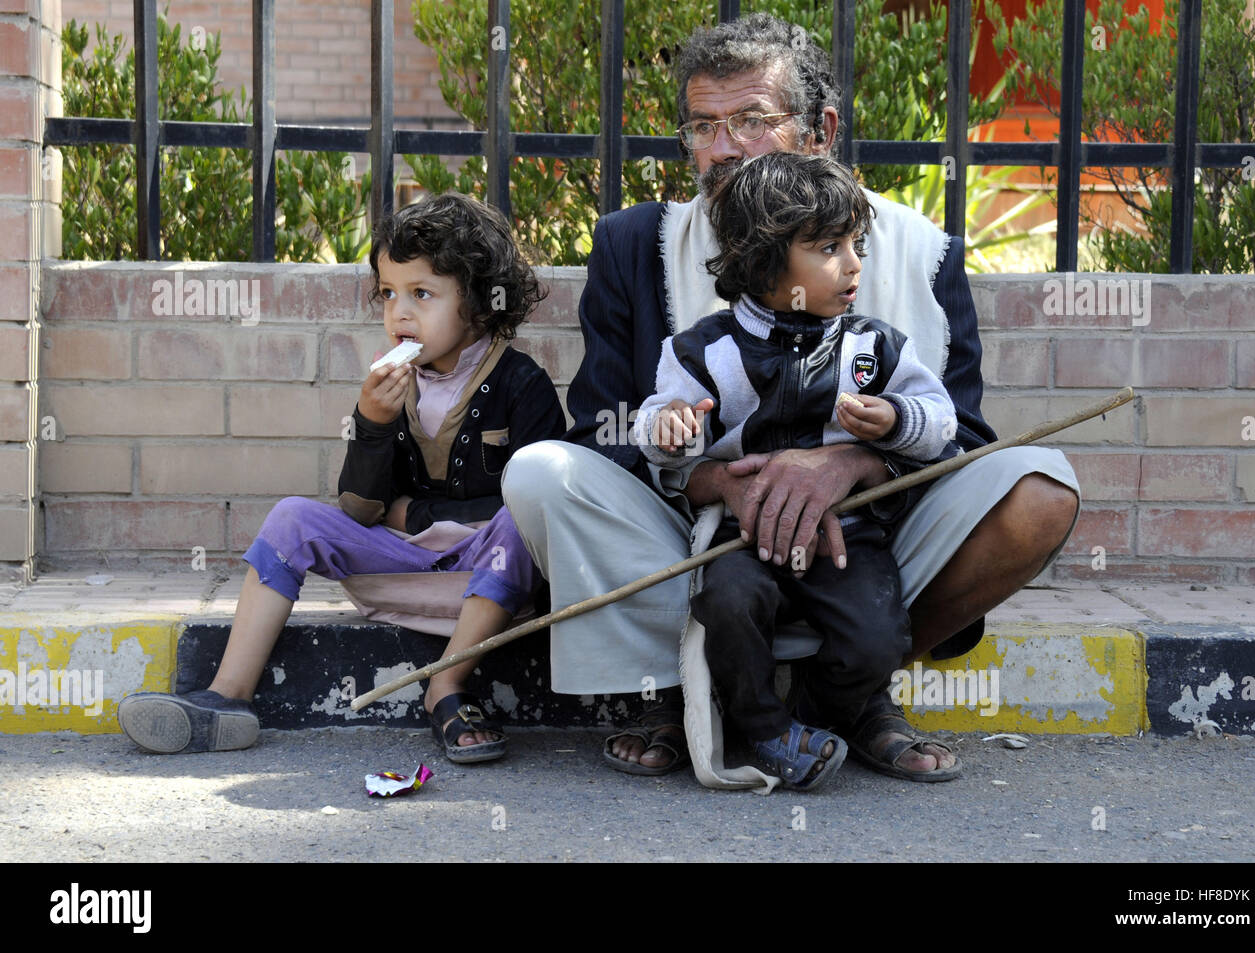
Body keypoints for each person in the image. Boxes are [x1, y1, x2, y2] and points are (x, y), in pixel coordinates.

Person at [501, 13, 1079, 786]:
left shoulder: (914, 249)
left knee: (1039, 489)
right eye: (704, 126)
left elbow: (963, 434)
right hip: (697, 538)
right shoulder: (633, 243)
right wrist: (712, 478)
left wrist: (849, 464)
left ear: (820, 130)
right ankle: (672, 691)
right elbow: (601, 430)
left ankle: (852, 691)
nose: (725, 147)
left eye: (751, 120)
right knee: (541, 472)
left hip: (862, 537)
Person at [118, 194, 567, 763]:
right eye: (388, 294)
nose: (399, 314)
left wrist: (414, 514)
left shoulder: (520, 383)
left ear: (478, 301)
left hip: (495, 589)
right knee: (292, 517)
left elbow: (535, 509)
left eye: (422, 294)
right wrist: (373, 425)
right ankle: (226, 698)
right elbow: (362, 511)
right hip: (405, 575)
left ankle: (446, 687)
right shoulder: (392, 387)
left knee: (516, 522)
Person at [636, 151, 961, 789]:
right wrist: (671, 427)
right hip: (742, 533)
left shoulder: (874, 347)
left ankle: (817, 711)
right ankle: (760, 727)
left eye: (854, 244)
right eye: (829, 248)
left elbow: (944, 422)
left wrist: (896, 421)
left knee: (875, 637)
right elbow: (658, 430)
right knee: (727, 603)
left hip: (848, 535)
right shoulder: (704, 349)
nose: (854, 264)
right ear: (765, 259)